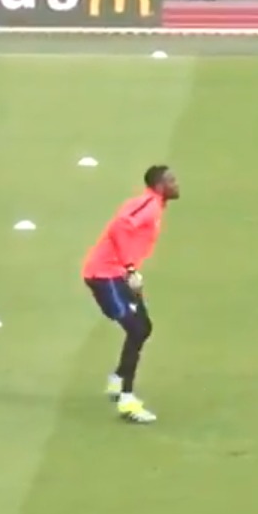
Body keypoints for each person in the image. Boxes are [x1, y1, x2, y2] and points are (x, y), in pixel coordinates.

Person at [81, 165, 181, 424]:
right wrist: (129, 268)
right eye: (171, 180)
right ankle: (127, 399)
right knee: (136, 329)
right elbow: (119, 227)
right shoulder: (148, 204)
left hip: (119, 275)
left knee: (144, 327)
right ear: (159, 185)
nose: (176, 184)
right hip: (105, 275)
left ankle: (117, 380)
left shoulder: (154, 205)